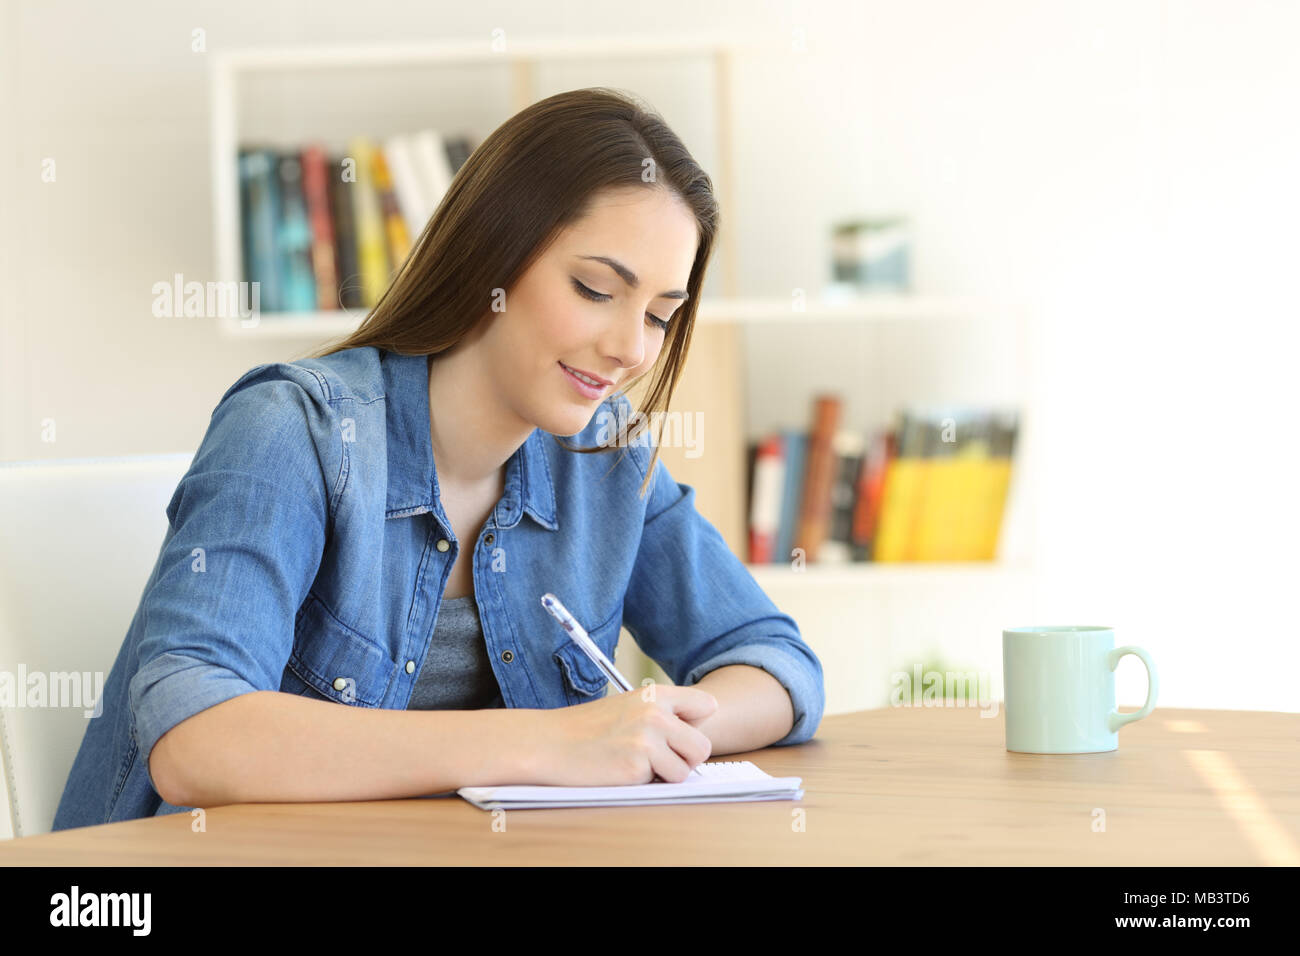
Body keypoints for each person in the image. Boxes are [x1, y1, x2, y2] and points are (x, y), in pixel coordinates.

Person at [52, 88, 824, 829]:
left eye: (660, 315)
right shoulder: (294, 431)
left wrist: (651, 729)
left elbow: (776, 665)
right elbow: (196, 736)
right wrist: (550, 743)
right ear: (495, 254)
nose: (630, 349)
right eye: (595, 289)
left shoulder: (604, 455)